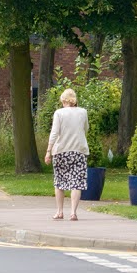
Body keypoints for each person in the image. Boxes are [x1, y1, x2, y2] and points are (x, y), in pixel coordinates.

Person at [44, 88, 91, 221]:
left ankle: (59, 212)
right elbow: (85, 129)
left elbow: (54, 133)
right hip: (78, 151)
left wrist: (48, 151)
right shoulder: (83, 112)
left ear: (63, 100)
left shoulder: (59, 113)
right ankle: (73, 213)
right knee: (76, 183)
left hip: (61, 151)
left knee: (59, 182)